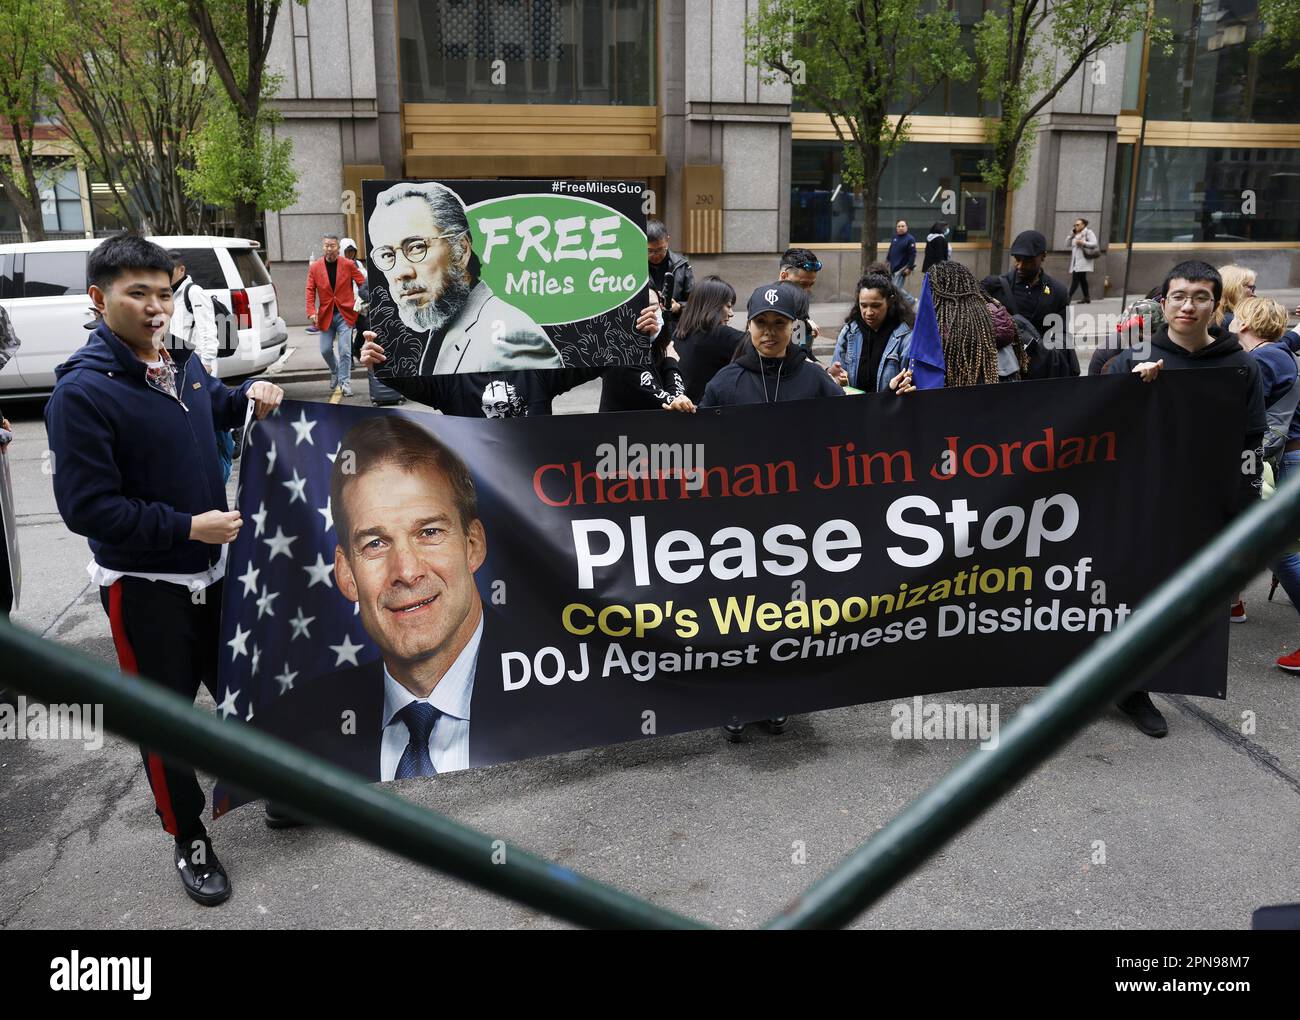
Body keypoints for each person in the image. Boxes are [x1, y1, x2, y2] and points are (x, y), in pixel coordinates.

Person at [44, 234, 284, 906]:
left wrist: (254, 395)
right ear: (99, 299)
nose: (155, 307)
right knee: (168, 724)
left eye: (163, 293)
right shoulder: (82, 393)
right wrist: (186, 528)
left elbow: (218, 409)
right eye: (137, 293)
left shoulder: (182, 363)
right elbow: (89, 510)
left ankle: (274, 792)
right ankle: (191, 840)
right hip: (147, 593)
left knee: (247, 698)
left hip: (218, 577)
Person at [260, 416, 494, 779]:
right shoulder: (298, 731)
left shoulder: (572, 684)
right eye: (376, 543)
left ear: (473, 545)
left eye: (429, 532)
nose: (406, 570)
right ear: (346, 573)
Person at [1104, 261, 1265, 736]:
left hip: (1202, 508)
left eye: (1199, 297)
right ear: (1164, 302)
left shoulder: (1240, 366)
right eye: (1178, 296)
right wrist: (1129, 390)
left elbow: (1252, 440)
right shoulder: (1130, 358)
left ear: (1217, 305)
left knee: (1185, 608)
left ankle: (1148, 677)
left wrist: (1245, 514)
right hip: (1141, 505)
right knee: (1133, 601)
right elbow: (1095, 433)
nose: (1187, 305)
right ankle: (1131, 689)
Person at [368, 182, 561, 374]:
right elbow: (443, 395)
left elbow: (524, 404)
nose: (401, 272)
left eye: (417, 246)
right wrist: (381, 369)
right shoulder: (447, 322)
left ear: (460, 251)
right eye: (387, 255)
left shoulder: (509, 336)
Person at [355, 297, 663, 417]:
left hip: (535, 484)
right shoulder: (452, 383)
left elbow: (600, 357)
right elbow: (407, 381)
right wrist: (378, 359)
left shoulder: (537, 371)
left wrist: (638, 332)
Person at [1232, 296, 1299, 630]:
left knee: (1280, 547)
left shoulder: (1266, 357)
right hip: (1285, 456)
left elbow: (1245, 409)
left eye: (1235, 316)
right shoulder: (1267, 354)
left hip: (1285, 459)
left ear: (1244, 322)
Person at [700, 282, 844, 409]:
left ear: (793, 326)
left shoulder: (815, 377)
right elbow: (704, 429)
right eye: (761, 322)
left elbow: (845, 417)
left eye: (779, 322)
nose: (769, 331)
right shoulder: (726, 381)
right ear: (749, 326)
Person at [169, 250, 236, 483]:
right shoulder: (170, 296)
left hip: (199, 368)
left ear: (181, 270)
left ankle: (224, 463)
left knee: (211, 423)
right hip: (179, 368)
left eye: (169, 270)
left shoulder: (193, 292)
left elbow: (208, 329)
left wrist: (206, 362)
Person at [1000, 230, 1074, 376]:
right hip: (1008, 369)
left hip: (1041, 369)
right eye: (1017, 259)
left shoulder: (1058, 291)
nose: (1020, 265)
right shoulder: (1000, 287)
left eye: (1027, 261)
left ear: (1043, 256)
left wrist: (1049, 356)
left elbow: (1061, 333)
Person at [828, 272, 913, 393]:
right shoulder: (849, 333)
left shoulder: (905, 337)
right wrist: (839, 380)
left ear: (889, 302)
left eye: (876, 306)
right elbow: (836, 378)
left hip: (888, 408)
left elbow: (908, 383)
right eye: (863, 305)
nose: (869, 312)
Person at [306, 233, 367, 395]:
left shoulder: (348, 264)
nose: (329, 249)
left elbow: (362, 283)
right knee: (325, 350)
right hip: (325, 315)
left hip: (345, 314)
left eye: (332, 246)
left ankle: (345, 382)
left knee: (345, 350)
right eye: (326, 245)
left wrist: (364, 299)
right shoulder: (315, 267)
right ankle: (335, 370)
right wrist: (311, 311)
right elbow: (310, 290)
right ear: (323, 247)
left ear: (338, 248)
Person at [674, 275, 746, 403]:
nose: (731, 313)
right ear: (713, 306)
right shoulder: (719, 335)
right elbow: (764, 346)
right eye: (728, 306)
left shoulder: (678, 335)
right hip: (711, 415)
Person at [646, 218, 694, 331]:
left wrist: (679, 307)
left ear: (667, 240)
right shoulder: (636, 266)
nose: (656, 255)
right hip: (646, 326)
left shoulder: (681, 265)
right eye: (650, 251)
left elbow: (694, 303)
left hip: (674, 327)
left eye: (661, 249)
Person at [1216, 264, 1257, 334]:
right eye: (1251, 288)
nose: (1254, 295)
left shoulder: (1211, 318)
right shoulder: (1234, 322)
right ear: (1233, 289)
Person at [1067, 218, 1098, 304]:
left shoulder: (1088, 232)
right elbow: (1067, 244)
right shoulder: (1075, 233)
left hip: (1083, 261)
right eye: (1075, 225)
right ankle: (1087, 297)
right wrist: (1071, 234)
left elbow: (1094, 243)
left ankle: (1067, 297)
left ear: (1083, 225)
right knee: (1082, 279)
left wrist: (1083, 243)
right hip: (1075, 260)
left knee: (1075, 279)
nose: (1076, 226)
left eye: (1078, 225)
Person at [886, 219, 916, 294]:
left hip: (902, 267)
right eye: (898, 226)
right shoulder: (894, 237)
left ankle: (912, 302)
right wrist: (887, 261)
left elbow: (912, 254)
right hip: (893, 267)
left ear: (907, 227)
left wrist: (909, 267)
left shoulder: (910, 239)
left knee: (895, 289)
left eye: (902, 226)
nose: (900, 228)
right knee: (895, 288)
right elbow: (891, 249)